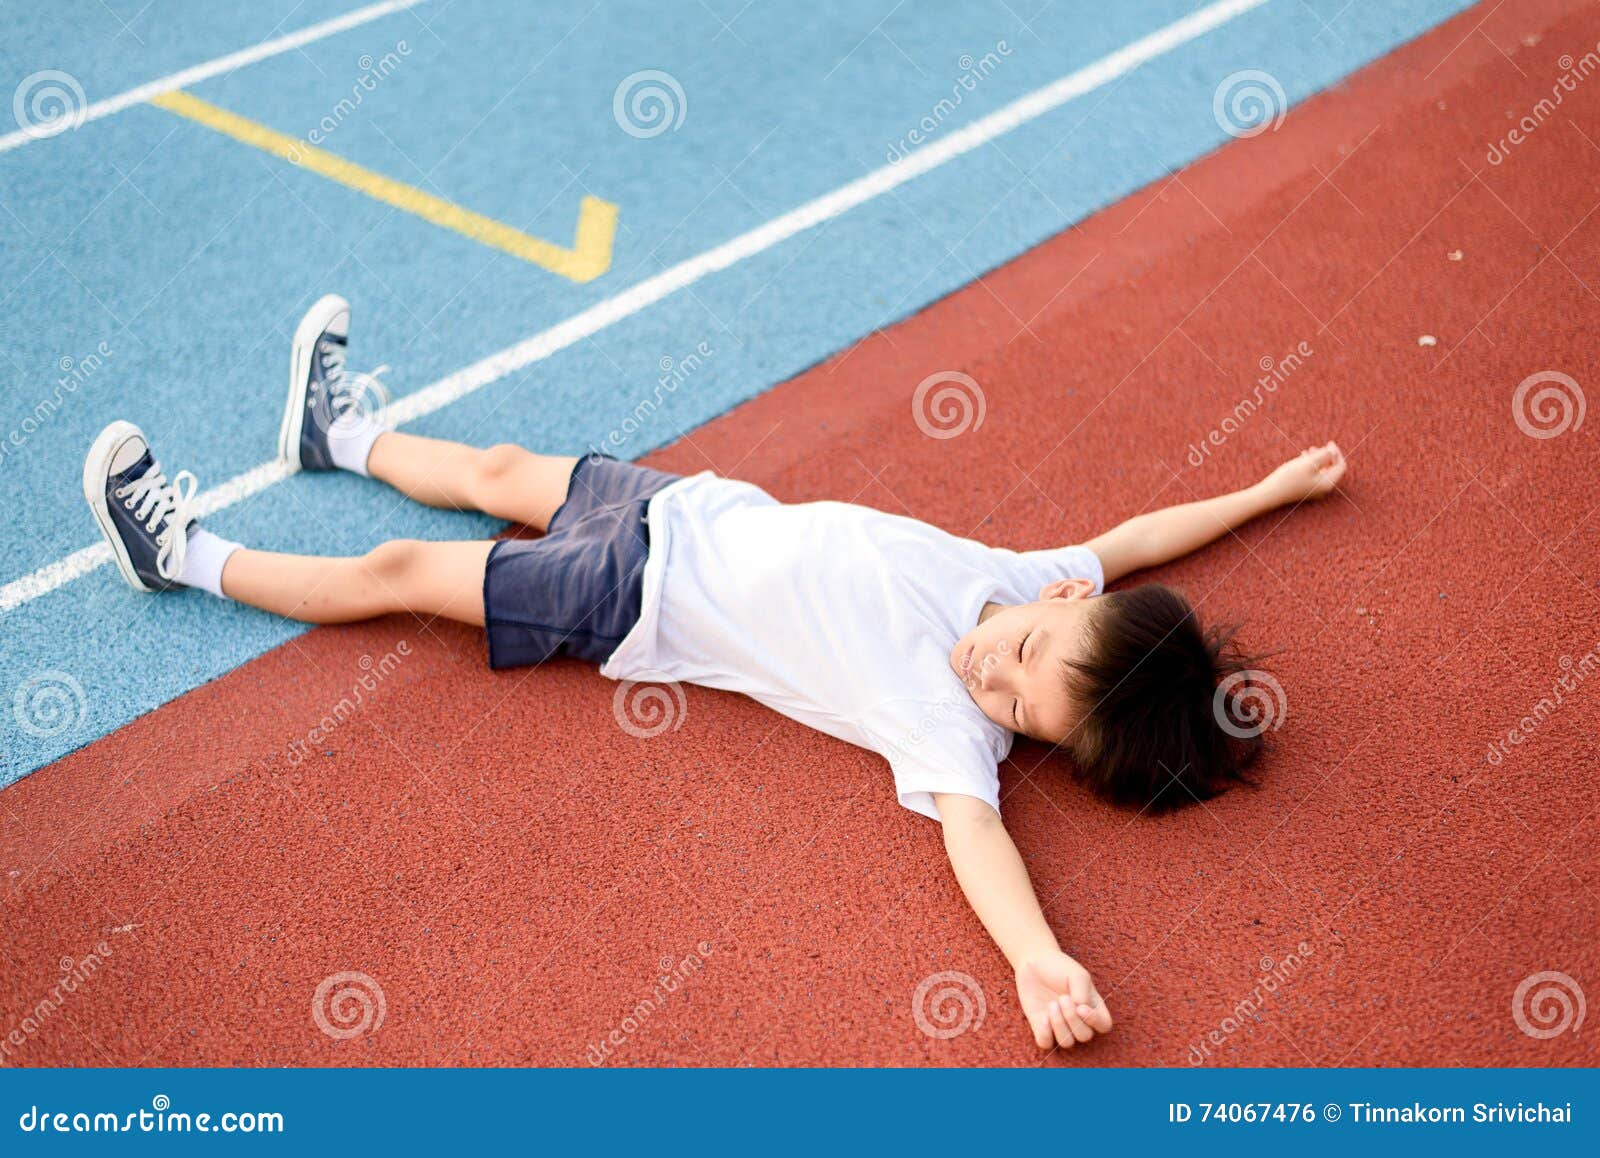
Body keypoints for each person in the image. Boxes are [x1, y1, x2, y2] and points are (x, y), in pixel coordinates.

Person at [83, 294, 1349, 1052]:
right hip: (682, 507)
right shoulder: (1024, 574)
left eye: (1019, 709)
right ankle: (336, 429)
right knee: (493, 468)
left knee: (406, 570)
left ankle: (183, 555)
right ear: (1061, 601)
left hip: (629, 596)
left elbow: (978, 837)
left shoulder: (946, 725)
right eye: (1023, 659)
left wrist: (1034, 958)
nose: (993, 679)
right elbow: (1136, 538)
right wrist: (1267, 490)